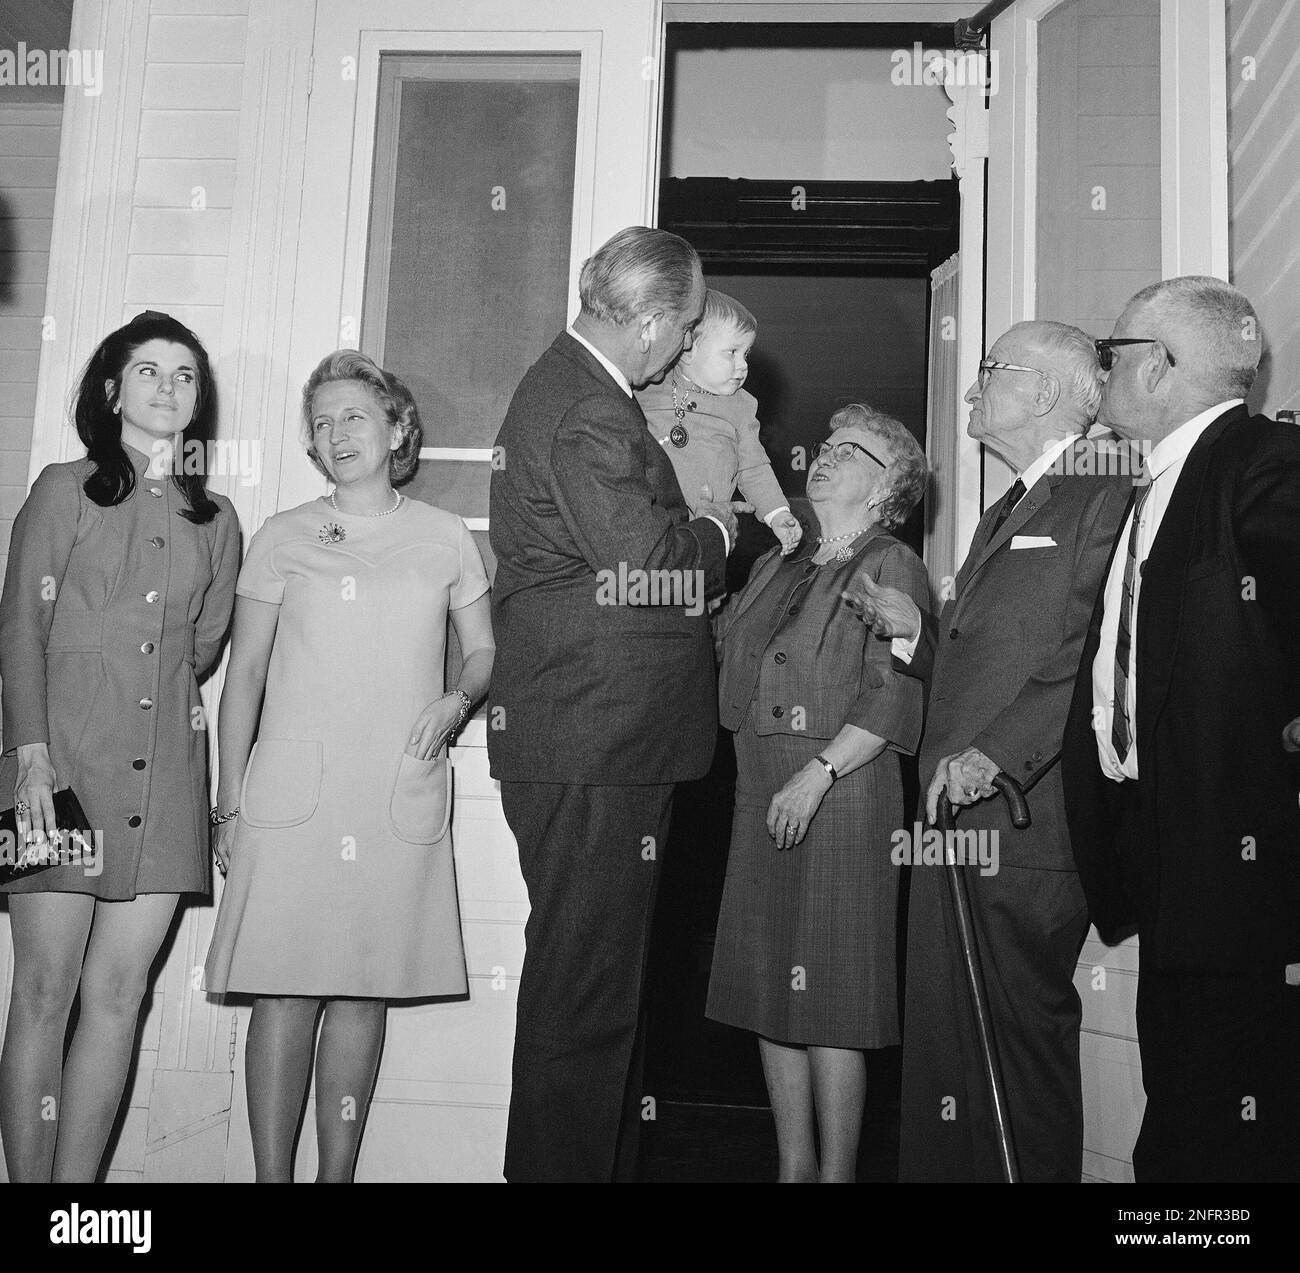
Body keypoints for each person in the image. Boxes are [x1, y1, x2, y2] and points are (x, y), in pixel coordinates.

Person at [489, 226, 748, 1182]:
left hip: (591, 735)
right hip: (598, 736)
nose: (686, 348)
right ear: (644, 321)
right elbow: (650, 570)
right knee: (587, 1001)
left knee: (597, 993)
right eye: (682, 329)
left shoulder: (576, 390)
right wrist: (716, 530)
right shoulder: (590, 410)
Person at [847, 320, 1131, 1181]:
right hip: (954, 816)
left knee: (1015, 1051)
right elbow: (991, 656)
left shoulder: (1105, 488)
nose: (971, 390)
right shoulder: (1011, 505)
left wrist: (997, 755)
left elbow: (1086, 657)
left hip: (1022, 820)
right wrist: (918, 637)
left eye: (990, 371)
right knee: (951, 1050)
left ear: (1045, 392)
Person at [203, 350, 494, 1182]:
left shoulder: (442, 537)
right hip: (292, 797)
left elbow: (482, 652)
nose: (338, 434)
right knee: (284, 989)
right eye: (322, 422)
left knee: (362, 989)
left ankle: (337, 1177)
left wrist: (457, 700)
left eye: (355, 416)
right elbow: (244, 677)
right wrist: (230, 805)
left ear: (398, 427)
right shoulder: (282, 536)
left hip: (394, 789)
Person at [1061, 276, 1300, 1182]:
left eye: (1111, 351)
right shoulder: (1150, 484)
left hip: (1243, 873)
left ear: (1159, 366)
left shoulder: (1266, 463)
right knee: (1189, 1106)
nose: (1102, 368)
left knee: (1219, 1131)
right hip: (1165, 858)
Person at [0, 311, 239, 1181]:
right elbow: (19, 627)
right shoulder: (62, 488)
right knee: (43, 989)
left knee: (117, 995)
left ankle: (76, 1205)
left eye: (185, 374)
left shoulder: (217, 518)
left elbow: (203, 649)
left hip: (166, 782)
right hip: (52, 773)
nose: (169, 388)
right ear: (112, 390)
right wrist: (30, 752)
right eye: (149, 371)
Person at [706, 404, 929, 1183]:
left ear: (886, 484)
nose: (825, 458)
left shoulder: (891, 562)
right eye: (826, 447)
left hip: (842, 790)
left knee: (833, 993)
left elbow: (896, 691)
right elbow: (724, 646)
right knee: (770, 985)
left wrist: (820, 773)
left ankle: (836, 1177)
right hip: (759, 785)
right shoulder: (781, 559)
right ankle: (792, 1169)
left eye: (850, 451)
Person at [636, 288, 802, 556]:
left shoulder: (741, 406)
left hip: (705, 530)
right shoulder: (649, 386)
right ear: (687, 348)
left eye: (745, 354)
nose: (743, 365)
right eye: (732, 352)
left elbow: (754, 468)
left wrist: (777, 513)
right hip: (648, 523)